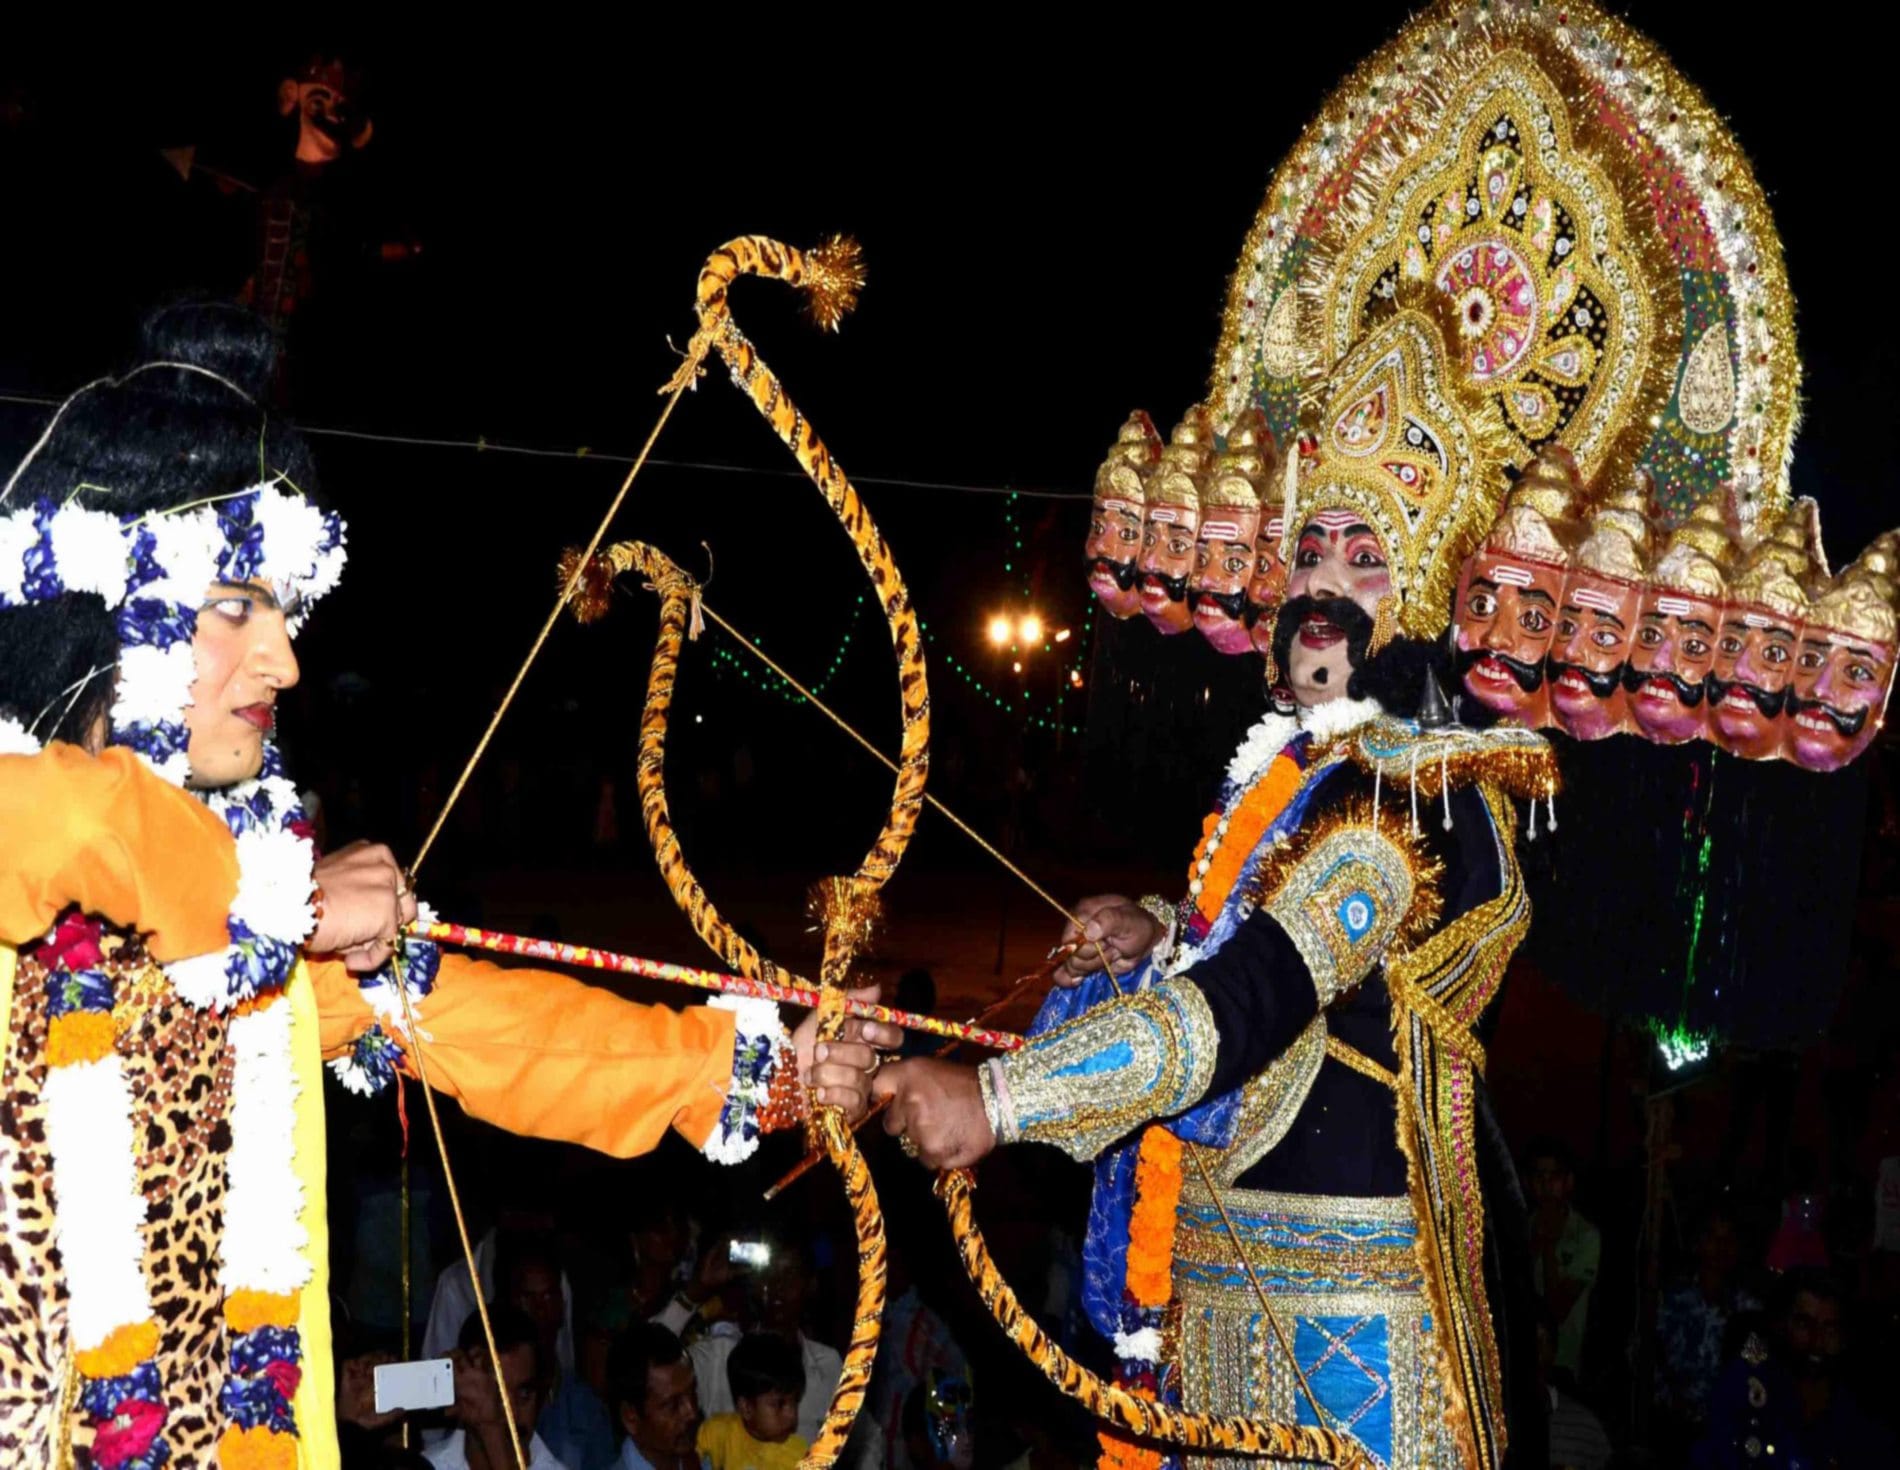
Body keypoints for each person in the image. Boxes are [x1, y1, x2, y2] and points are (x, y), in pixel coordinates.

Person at [0, 303, 896, 1468]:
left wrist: (756, 1068)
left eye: (283, 612)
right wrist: (280, 900)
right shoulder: (71, 856)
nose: (284, 659)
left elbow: (499, 1035)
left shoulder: (253, 967)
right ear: (125, 614)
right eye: (237, 607)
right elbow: (64, 820)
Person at [876, 298, 1554, 1468]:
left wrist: (999, 1103)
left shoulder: (1423, 798)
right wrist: (1152, 932)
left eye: (1365, 554)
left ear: (1431, 583)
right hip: (1219, 1270)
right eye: (1309, 548)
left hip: (1351, 1323)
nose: (1322, 585)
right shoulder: (1296, 772)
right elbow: (1236, 948)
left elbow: (1253, 999)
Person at [1694, 1267, 1895, 1467]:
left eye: (1829, 1329)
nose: (1817, 1341)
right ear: (1781, 1324)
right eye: (1804, 1324)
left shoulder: (1859, 1404)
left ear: (1843, 1337)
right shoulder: (1750, 1377)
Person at [690, 1241, 842, 1443]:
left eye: (790, 1274)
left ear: (810, 1284)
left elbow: (863, 1441)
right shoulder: (718, 1358)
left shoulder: (827, 1364)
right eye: (769, 1274)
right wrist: (693, 1294)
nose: (778, 1285)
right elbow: (647, 1364)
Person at [427, 1306, 569, 1470]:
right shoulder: (428, 1467)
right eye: (498, 1396)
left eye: (524, 1394)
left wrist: (491, 1430)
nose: (513, 1412)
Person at [1526, 1136, 1601, 1385]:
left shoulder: (1585, 1236)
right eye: (1539, 1177)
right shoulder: (1520, 1230)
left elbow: (1557, 1309)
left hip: (1563, 1367)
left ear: (1568, 1182)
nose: (1546, 1185)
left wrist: (1548, 1245)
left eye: (1554, 1177)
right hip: (1523, 1363)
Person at [696, 1333, 807, 1470]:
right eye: (779, 1404)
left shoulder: (799, 1456)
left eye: (795, 1401)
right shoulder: (716, 1433)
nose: (791, 1414)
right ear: (746, 1407)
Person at [609, 1324, 707, 1470]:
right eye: (672, 1405)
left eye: (692, 1393)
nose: (691, 1413)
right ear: (631, 1417)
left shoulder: (710, 1459)